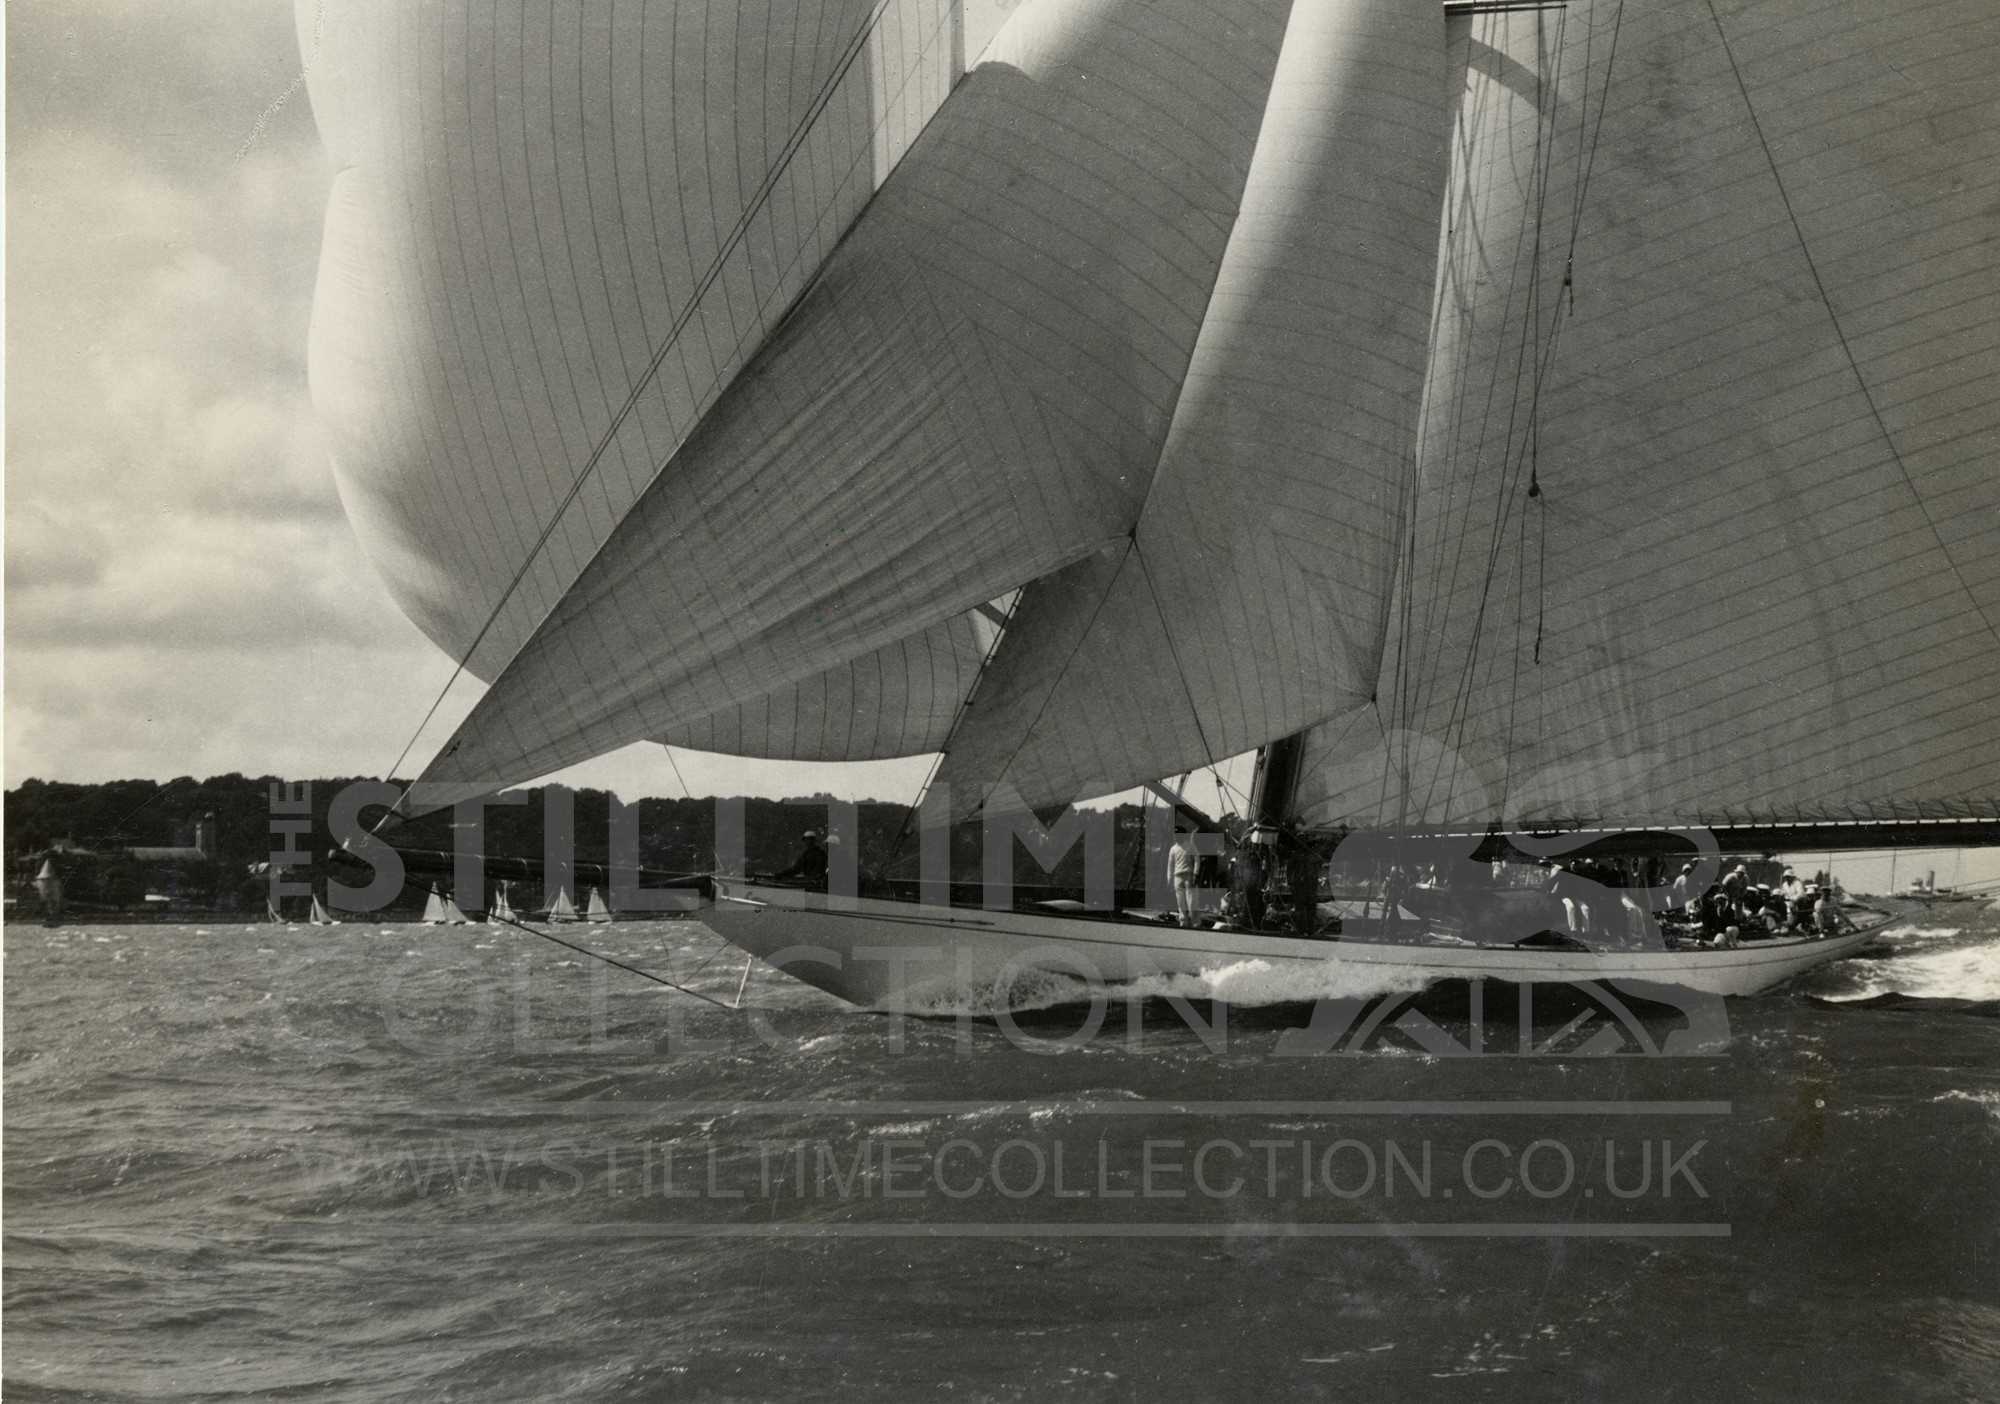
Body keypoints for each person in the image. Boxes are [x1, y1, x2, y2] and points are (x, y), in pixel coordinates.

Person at [1168, 833, 1200, 926]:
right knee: (1180, 901)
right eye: (1175, 835)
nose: (1176, 837)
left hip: (1188, 875)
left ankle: (1195, 922)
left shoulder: (1190, 846)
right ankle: (1183, 921)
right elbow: (1170, 865)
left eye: (1178, 835)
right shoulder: (1173, 848)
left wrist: (1195, 873)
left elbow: (1197, 859)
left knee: (1191, 900)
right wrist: (1169, 879)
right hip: (1177, 876)